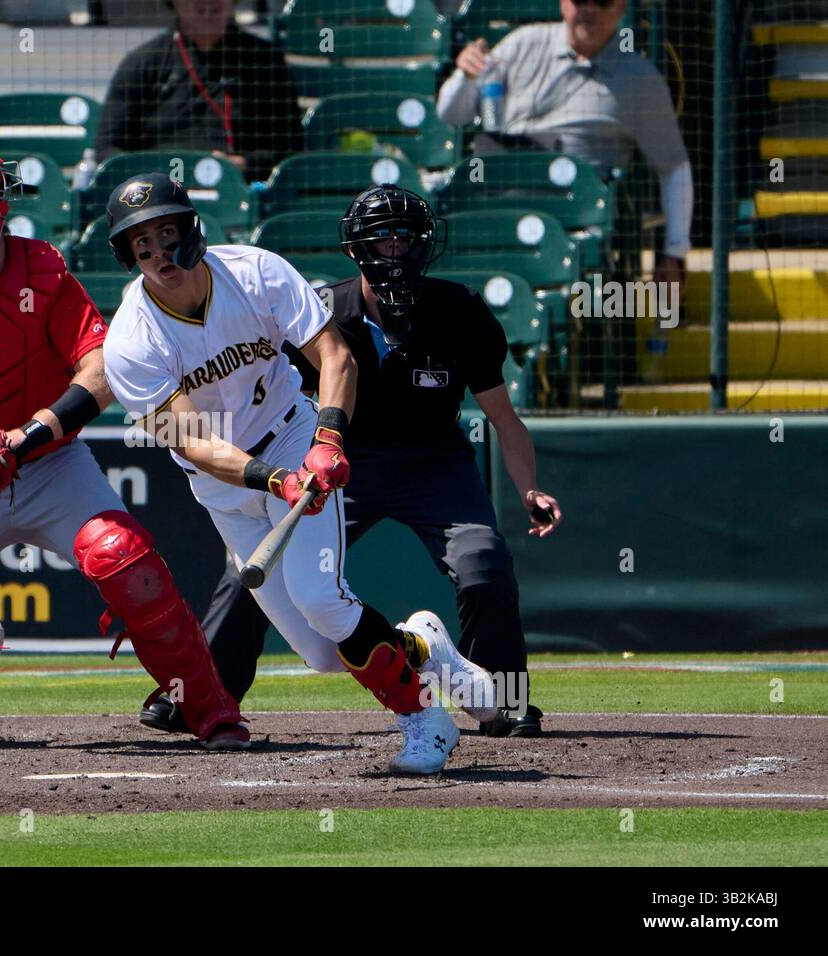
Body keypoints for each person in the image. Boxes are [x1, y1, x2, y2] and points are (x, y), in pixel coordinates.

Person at [0, 143, 249, 750]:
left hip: (50, 463)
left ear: (5, 198)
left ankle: (210, 707)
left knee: (128, 565)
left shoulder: (45, 272)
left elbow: (101, 370)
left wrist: (29, 433)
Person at [100, 172, 500, 774]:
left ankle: (425, 720)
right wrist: (273, 480)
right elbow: (196, 443)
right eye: (142, 245)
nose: (160, 254)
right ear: (128, 256)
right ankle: (424, 645)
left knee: (323, 599)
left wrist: (328, 437)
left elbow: (335, 357)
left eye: (167, 233)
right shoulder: (130, 340)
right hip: (228, 482)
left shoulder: (255, 271)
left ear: (192, 230)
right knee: (321, 650)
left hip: (291, 433)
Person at [435, 0, 692, 289]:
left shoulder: (641, 78)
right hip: (498, 197)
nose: (590, 9)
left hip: (571, 216)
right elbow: (451, 115)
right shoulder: (522, 43)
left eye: (603, 1)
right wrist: (464, 77)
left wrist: (675, 252)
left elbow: (673, 167)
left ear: (621, 8)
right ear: (563, 4)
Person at [93, 0, 303, 184]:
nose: (208, 2)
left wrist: (244, 164)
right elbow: (107, 147)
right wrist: (154, 176)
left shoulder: (265, 61)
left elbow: (291, 145)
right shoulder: (143, 63)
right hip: (162, 198)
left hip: (240, 192)